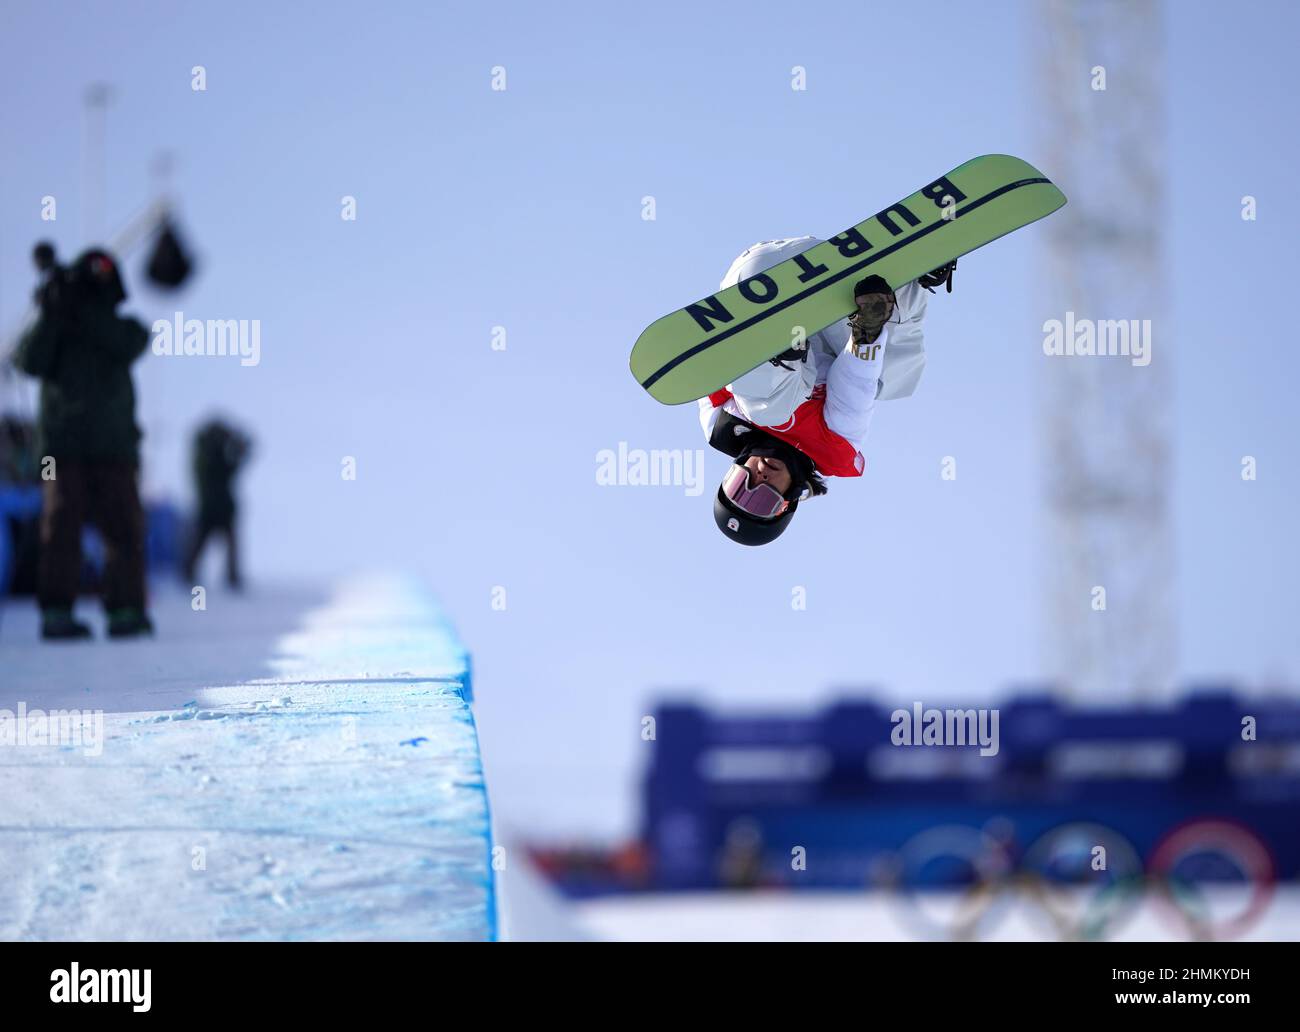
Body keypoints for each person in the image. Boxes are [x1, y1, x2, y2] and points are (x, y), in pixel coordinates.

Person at [700, 237, 955, 546]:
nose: (758, 479)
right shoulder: (833, 446)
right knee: (892, 379)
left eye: (740, 485)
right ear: (791, 498)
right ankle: (907, 281)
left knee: (766, 410)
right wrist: (868, 334)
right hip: (843, 292)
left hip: (758, 278)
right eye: (761, 500)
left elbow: (709, 365)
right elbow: (856, 386)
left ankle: (773, 342)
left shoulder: (723, 422)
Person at [11, 245, 154, 639]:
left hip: (113, 449)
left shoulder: (120, 329)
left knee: (123, 528)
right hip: (63, 449)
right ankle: (57, 612)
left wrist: (75, 311)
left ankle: (125, 611)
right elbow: (27, 360)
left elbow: (132, 342)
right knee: (60, 529)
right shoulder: (58, 323)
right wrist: (51, 317)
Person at [183, 418, 251, 589]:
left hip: (215, 506)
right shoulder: (208, 456)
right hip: (213, 507)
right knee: (204, 544)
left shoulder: (205, 454)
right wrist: (237, 450)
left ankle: (227, 577)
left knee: (212, 544)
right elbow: (226, 471)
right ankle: (190, 575)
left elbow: (229, 470)